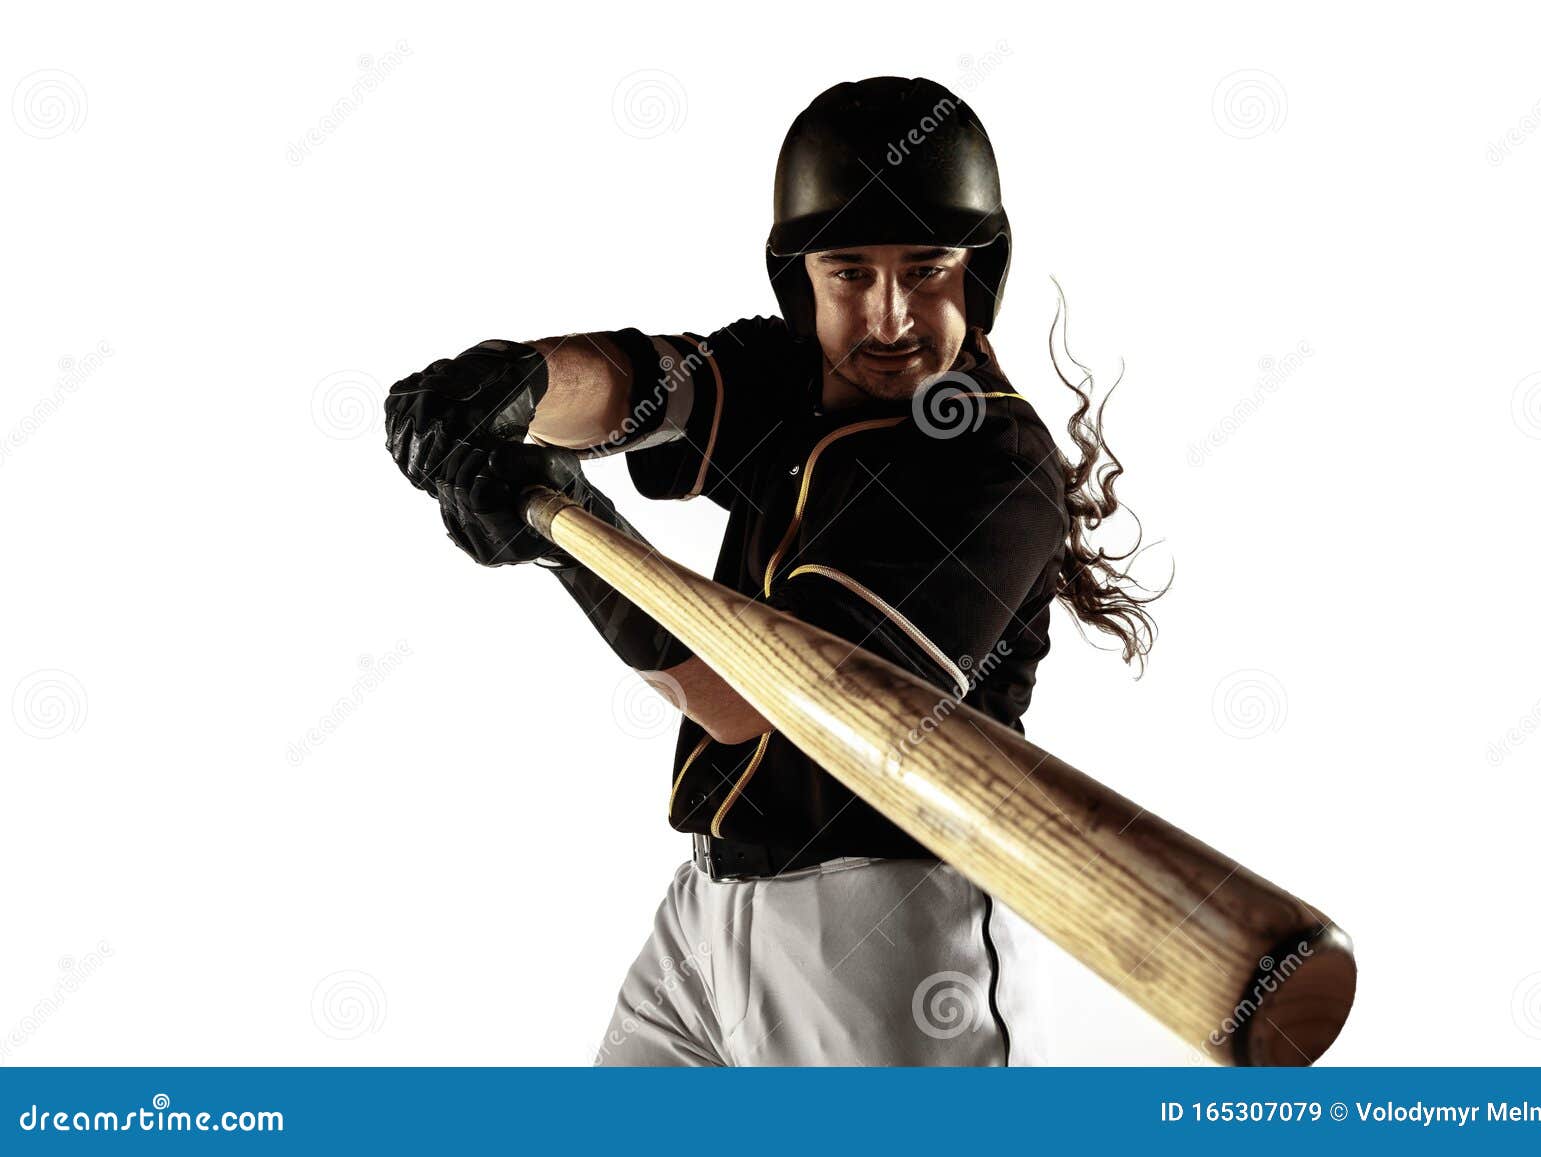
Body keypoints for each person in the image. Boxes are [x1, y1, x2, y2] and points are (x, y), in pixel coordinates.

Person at [382, 76, 1163, 1065]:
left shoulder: (989, 466)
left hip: (885, 922)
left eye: (925, 270)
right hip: (707, 906)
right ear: (802, 279)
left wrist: (566, 535)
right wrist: (515, 384)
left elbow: (756, 697)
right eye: (849, 274)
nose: (887, 317)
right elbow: (644, 386)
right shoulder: (796, 374)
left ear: (979, 271)